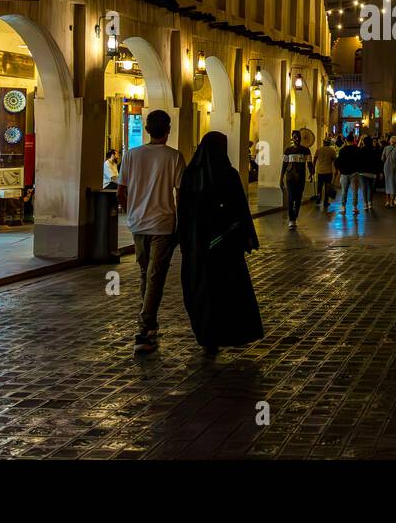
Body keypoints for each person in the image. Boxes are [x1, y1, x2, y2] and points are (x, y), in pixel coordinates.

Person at [176, 131, 264, 357]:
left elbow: (183, 210)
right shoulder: (228, 174)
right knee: (226, 290)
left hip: (198, 245)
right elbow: (240, 210)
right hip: (225, 246)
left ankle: (207, 336)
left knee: (201, 289)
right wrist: (245, 237)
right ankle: (228, 333)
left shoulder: (191, 174)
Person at [117, 110, 186, 355]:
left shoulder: (131, 156)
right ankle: (145, 328)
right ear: (168, 130)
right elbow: (181, 193)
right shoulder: (174, 157)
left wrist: (133, 212)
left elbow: (121, 191)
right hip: (163, 224)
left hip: (138, 224)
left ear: (146, 130)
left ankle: (149, 324)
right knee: (154, 275)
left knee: (147, 273)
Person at [280, 130, 312, 230]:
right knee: (290, 198)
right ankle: (291, 219)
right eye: (295, 137)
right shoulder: (288, 150)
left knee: (298, 198)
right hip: (290, 177)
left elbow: (309, 163)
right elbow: (284, 165)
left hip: (301, 178)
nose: (297, 139)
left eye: (298, 137)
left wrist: (311, 173)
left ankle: (295, 216)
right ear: (292, 138)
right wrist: (280, 178)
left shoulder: (306, 150)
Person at [337, 135, 365, 215]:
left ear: (346, 140)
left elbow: (339, 162)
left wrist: (340, 170)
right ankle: (354, 207)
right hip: (354, 173)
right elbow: (360, 161)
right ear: (353, 140)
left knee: (344, 191)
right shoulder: (357, 150)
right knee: (355, 191)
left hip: (344, 173)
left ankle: (343, 206)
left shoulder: (342, 151)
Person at [358, 136, 381, 213]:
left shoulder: (361, 150)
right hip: (372, 172)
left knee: (364, 188)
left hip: (363, 172)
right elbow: (378, 162)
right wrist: (379, 172)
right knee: (371, 188)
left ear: (364, 142)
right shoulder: (374, 150)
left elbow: (359, 161)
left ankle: (365, 204)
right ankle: (370, 202)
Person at [314, 138, 337, 211]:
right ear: (329, 143)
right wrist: (336, 170)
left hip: (320, 171)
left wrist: (312, 169)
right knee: (327, 187)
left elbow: (314, 159)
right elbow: (335, 161)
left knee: (319, 186)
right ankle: (326, 201)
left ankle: (319, 196)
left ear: (323, 142)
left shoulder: (319, 150)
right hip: (328, 172)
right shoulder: (332, 151)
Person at [381, 134, 396, 210]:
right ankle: (391, 202)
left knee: (387, 183)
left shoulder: (386, 148)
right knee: (394, 184)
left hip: (386, 168)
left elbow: (382, 159)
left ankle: (387, 201)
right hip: (394, 168)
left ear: (390, 141)